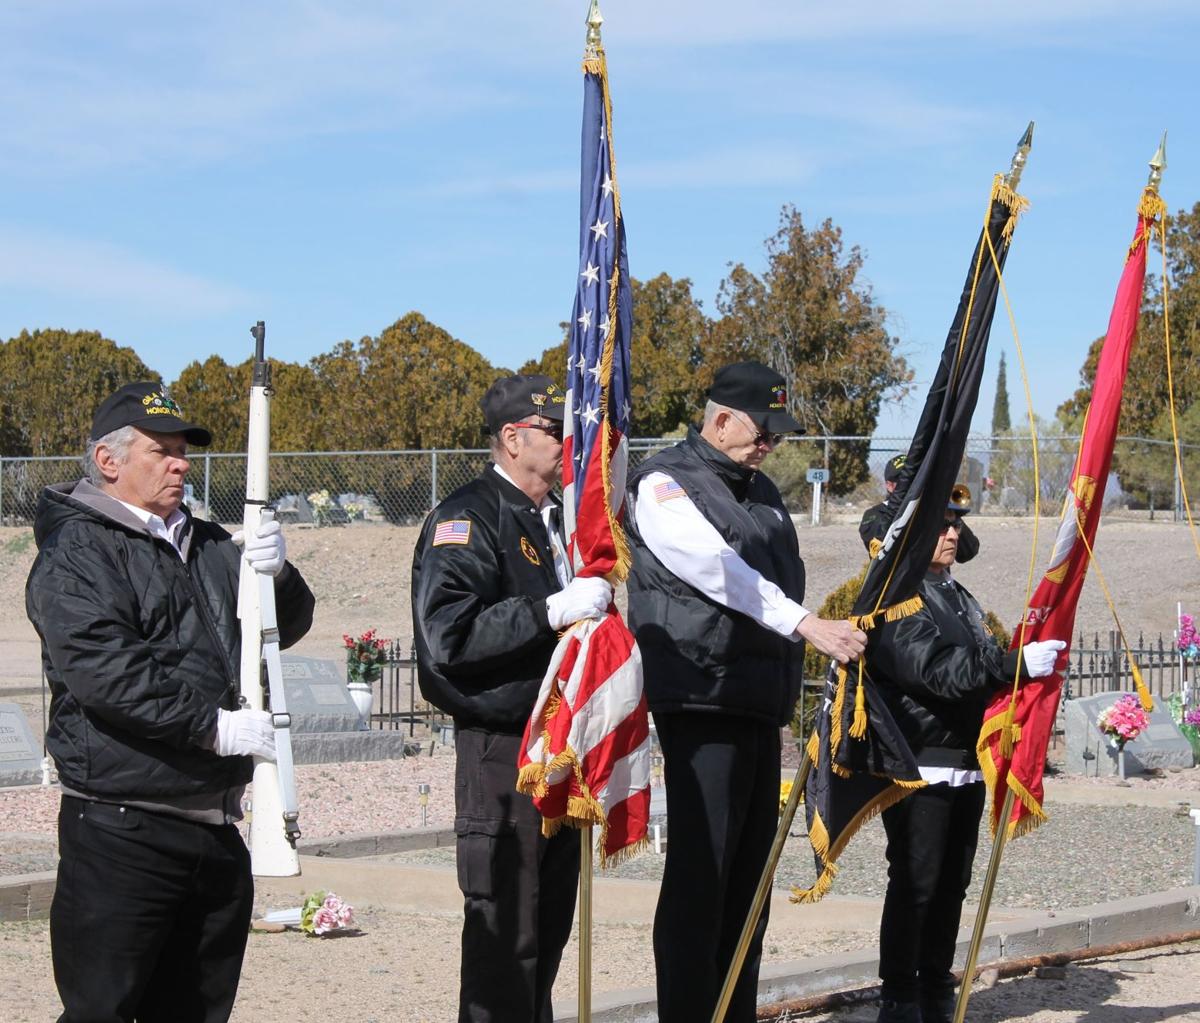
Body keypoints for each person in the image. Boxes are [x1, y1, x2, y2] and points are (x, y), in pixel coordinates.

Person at [25, 381, 315, 1023]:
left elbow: (277, 631)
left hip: (214, 826)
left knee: (196, 1010)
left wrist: (279, 577)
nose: (181, 463)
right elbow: (107, 672)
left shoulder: (209, 543)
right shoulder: (77, 552)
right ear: (109, 461)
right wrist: (213, 729)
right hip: (123, 828)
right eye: (162, 450)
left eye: (183, 450)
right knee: (103, 1008)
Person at [624, 360, 868, 1023]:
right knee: (702, 878)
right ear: (722, 417)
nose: (769, 446)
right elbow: (712, 567)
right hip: (702, 693)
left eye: (778, 437)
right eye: (763, 431)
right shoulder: (666, 480)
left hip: (757, 697)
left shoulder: (757, 491)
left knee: (749, 884)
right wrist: (806, 624)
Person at [411, 374, 612, 1023]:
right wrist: (548, 608)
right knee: (506, 940)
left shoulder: (555, 522)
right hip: (505, 751)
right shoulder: (469, 517)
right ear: (512, 437)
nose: (565, 441)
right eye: (553, 430)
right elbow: (450, 633)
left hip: (558, 749)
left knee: (546, 936)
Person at [864, 488, 1064, 1023]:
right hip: (919, 762)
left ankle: (935, 983)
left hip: (964, 761)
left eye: (956, 523)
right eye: (940, 523)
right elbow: (935, 671)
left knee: (952, 883)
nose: (952, 533)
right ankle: (899, 992)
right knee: (916, 883)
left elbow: (972, 659)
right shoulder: (897, 596)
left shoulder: (956, 593)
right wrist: (1009, 663)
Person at [860, 454, 979, 563]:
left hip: (935, 581)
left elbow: (968, 552)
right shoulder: (874, 515)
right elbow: (884, 549)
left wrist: (947, 515)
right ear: (890, 486)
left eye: (919, 478)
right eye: (907, 481)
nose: (915, 485)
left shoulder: (932, 509)